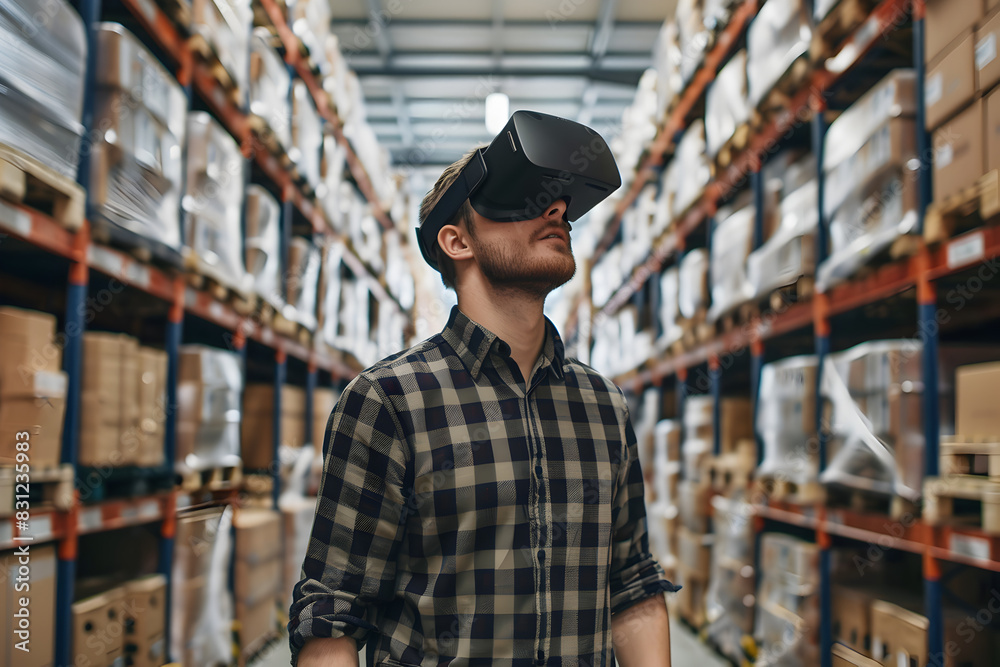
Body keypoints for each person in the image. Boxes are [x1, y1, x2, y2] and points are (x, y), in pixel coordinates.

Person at [289, 116, 676, 667]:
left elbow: (632, 584)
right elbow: (333, 614)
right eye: (521, 197)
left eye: (562, 202)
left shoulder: (602, 406)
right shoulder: (388, 402)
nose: (557, 210)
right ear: (457, 240)